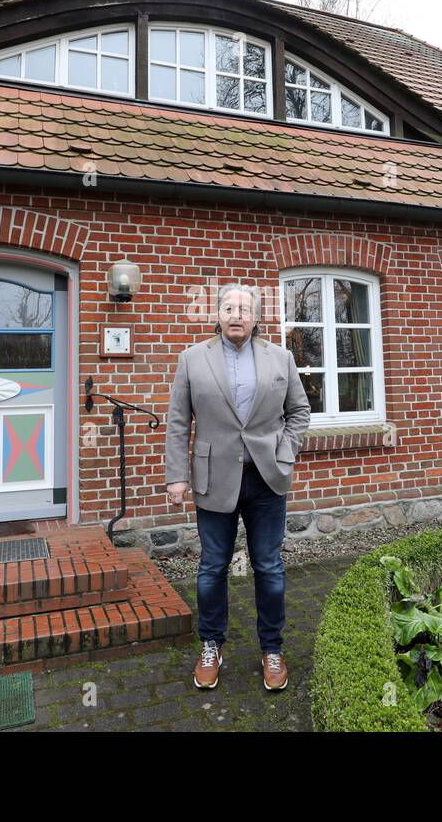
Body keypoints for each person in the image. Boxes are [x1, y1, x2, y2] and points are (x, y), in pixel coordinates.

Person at [164, 283, 311, 692]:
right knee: (213, 567)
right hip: (214, 480)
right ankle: (211, 644)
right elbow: (178, 422)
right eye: (229, 307)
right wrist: (176, 475)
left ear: (256, 317)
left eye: (244, 309)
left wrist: (285, 453)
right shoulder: (192, 359)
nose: (236, 314)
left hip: (266, 479)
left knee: (268, 567)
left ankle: (272, 649)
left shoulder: (280, 358)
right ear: (217, 313)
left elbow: (299, 411)